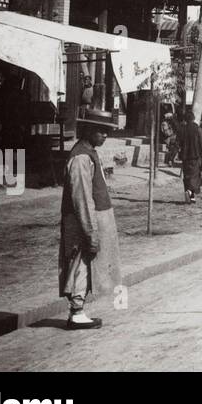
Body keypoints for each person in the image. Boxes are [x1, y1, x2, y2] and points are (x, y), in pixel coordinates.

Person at [59, 119, 123, 330]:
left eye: (107, 131)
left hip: (92, 219)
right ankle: (76, 311)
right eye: (101, 131)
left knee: (87, 263)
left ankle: (78, 310)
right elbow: (82, 197)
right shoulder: (80, 158)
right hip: (82, 222)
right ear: (88, 131)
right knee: (80, 264)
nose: (105, 135)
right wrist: (90, 230)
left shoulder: (90, 152)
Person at [178, 109, 202, 204]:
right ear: (193, 118)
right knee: (195, 177)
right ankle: (190, 192)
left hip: (185, 158)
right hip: (195, 157)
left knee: (187, 176)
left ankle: (191, 196)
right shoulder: (198, 129)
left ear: (185, 119)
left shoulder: (182, 129)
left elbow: (178, 143)